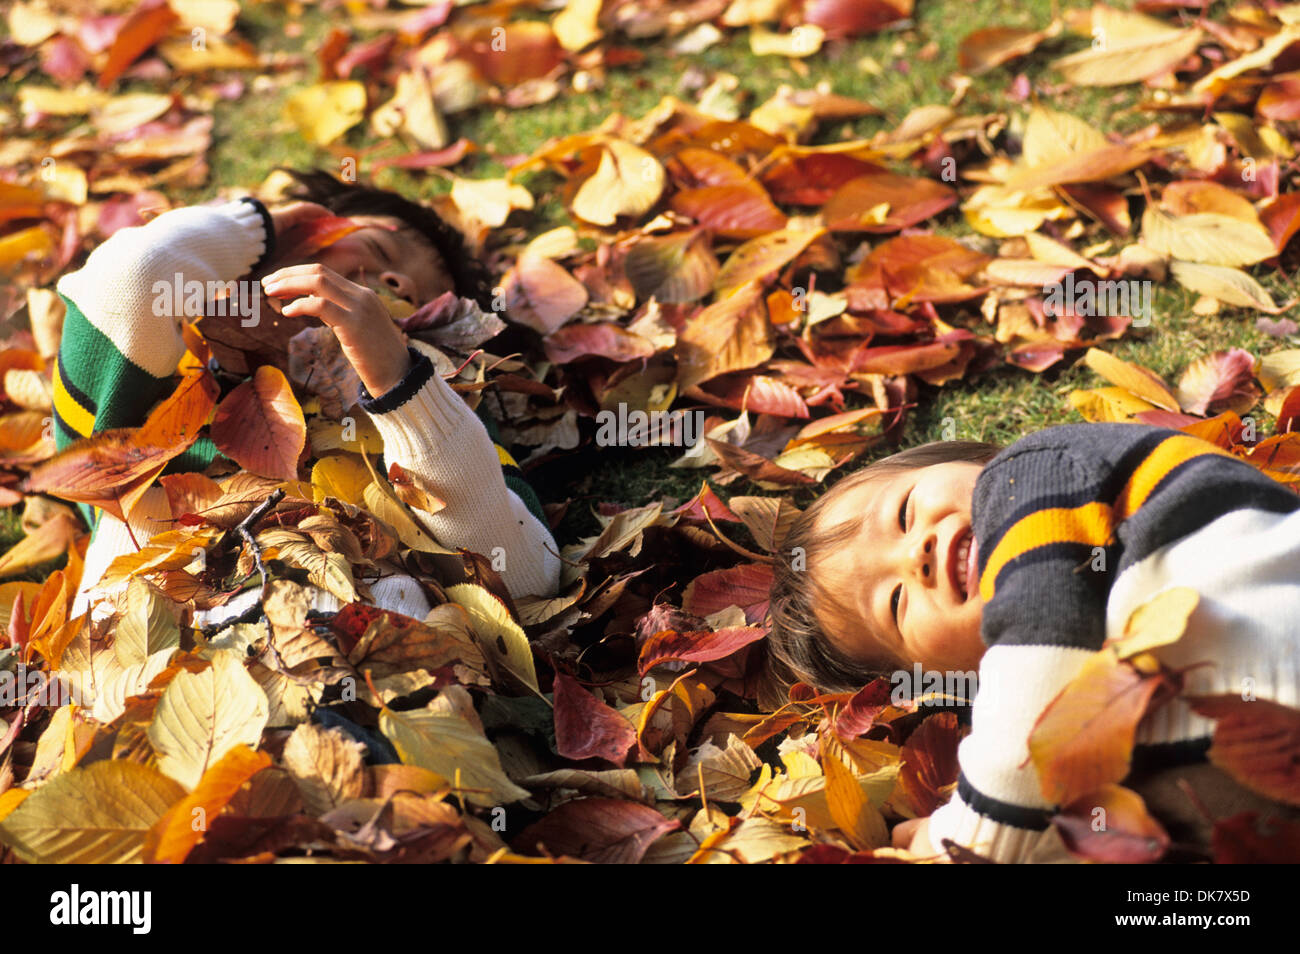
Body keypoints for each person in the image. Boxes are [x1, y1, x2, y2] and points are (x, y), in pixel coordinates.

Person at [767, 421, 1300, 862]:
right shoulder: (1069, 721)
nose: (916, 556)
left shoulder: (1042, 473)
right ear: (937, 673)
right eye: (895, 603)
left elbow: (1037, 660)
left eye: (903, 512)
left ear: (967, 459)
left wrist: (960, 839)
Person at [51, 168, 562, 626]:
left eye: (420, 302)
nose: (396, 281)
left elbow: (526, 581)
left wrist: (402, 388)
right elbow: (132, 277)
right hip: (143, 667)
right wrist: (256, 228)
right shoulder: (146, 371)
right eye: (381, 250)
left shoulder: (435, 406)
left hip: (365, 684)